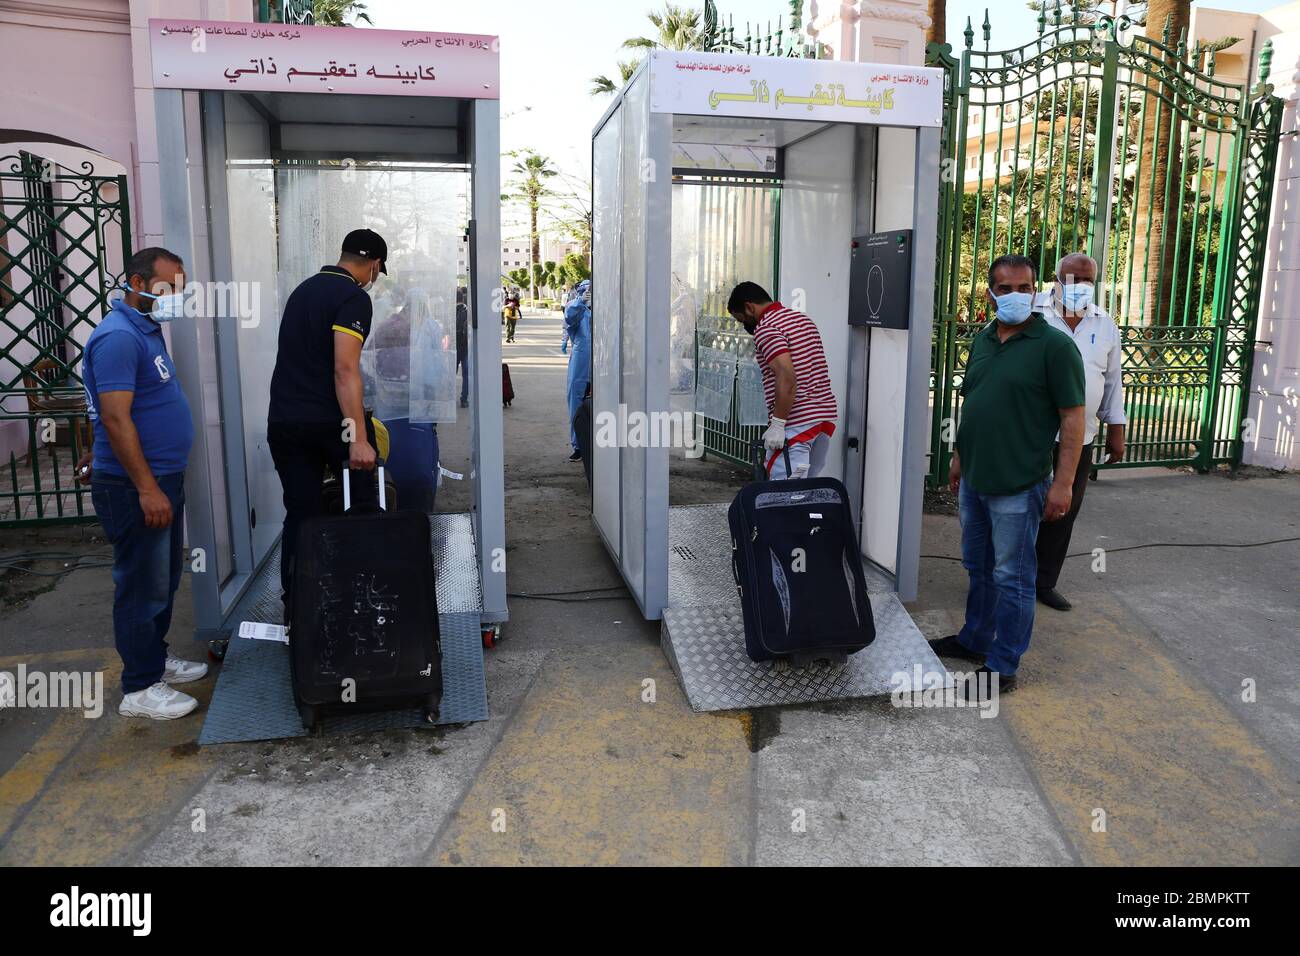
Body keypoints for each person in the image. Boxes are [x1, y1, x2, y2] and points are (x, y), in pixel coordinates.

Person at [928, 254, 1086, 698]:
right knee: (978, 566)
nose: (1016, 296)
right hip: (975, 478)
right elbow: (973, 400)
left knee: (1013, 576)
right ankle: (974, 640)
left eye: (1024, 288)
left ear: (1036, 292)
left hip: (1019, 483)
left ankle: (1004, 665)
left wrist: (1063, 483)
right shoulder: (983, 340)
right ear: (990, 293)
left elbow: (1073, 420)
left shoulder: (1055, 347)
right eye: (1006, 289)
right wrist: (959, 455)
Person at [81, 247, 206, 719]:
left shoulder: (145, 331)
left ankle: (154, 662)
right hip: (138, 487)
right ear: (136, 282)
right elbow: (115, 416)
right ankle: (139, 688)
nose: (175, 296)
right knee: (140, 584)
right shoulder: (118, 337)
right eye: (166, 287)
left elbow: (108, 407)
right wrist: (147, 487)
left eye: (179, 287)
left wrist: (96, 447)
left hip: (158, 478)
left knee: (163, 579)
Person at [267, 228, 385, 610]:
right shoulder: (353, 296)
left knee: (301, 512)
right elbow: (345, 370)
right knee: (365, 503)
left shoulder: (303, 291)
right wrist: (358, 437)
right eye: (378, 271)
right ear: (374, 265)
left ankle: (299, 606)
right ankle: (364, 596)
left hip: (285, 421)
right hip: (328, 423)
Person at [1033, 253, 1127, 611]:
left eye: (1087, 280)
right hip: (1033, 435)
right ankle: (1007, 580)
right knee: (1022, 507)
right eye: (1071, 279)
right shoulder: (1033, 312)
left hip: (1081, 437)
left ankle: (1044, 581)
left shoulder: (1104, 324)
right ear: (1055, 279)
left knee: (1063, 510)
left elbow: (1112, 381)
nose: (1079, 287)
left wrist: (1116, 428)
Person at [726, 282, 838, 479]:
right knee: (807, 491)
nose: (744, 325)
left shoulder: (767, 328)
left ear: (750, 307)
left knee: (784, 494)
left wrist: (778, 424)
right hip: (822, 419)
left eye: (741, 319)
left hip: (797, 422)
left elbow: (786, 376)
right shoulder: (802, 320)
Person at [564, 279, 592, 463]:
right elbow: (569, 318)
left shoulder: (606, 308)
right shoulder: (578, 308)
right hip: (581, 360)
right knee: (576, 401)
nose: (587, 293)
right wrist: (581, 302)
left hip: (604, 360)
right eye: (584, 291)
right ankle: (578, 445)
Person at [455, 285, 470, 409]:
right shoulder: (467, 311)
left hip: (453, 348)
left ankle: (446, 399)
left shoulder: (448, 312)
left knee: (450, 375)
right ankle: (464, 399)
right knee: (466, 374)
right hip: (465, 348)